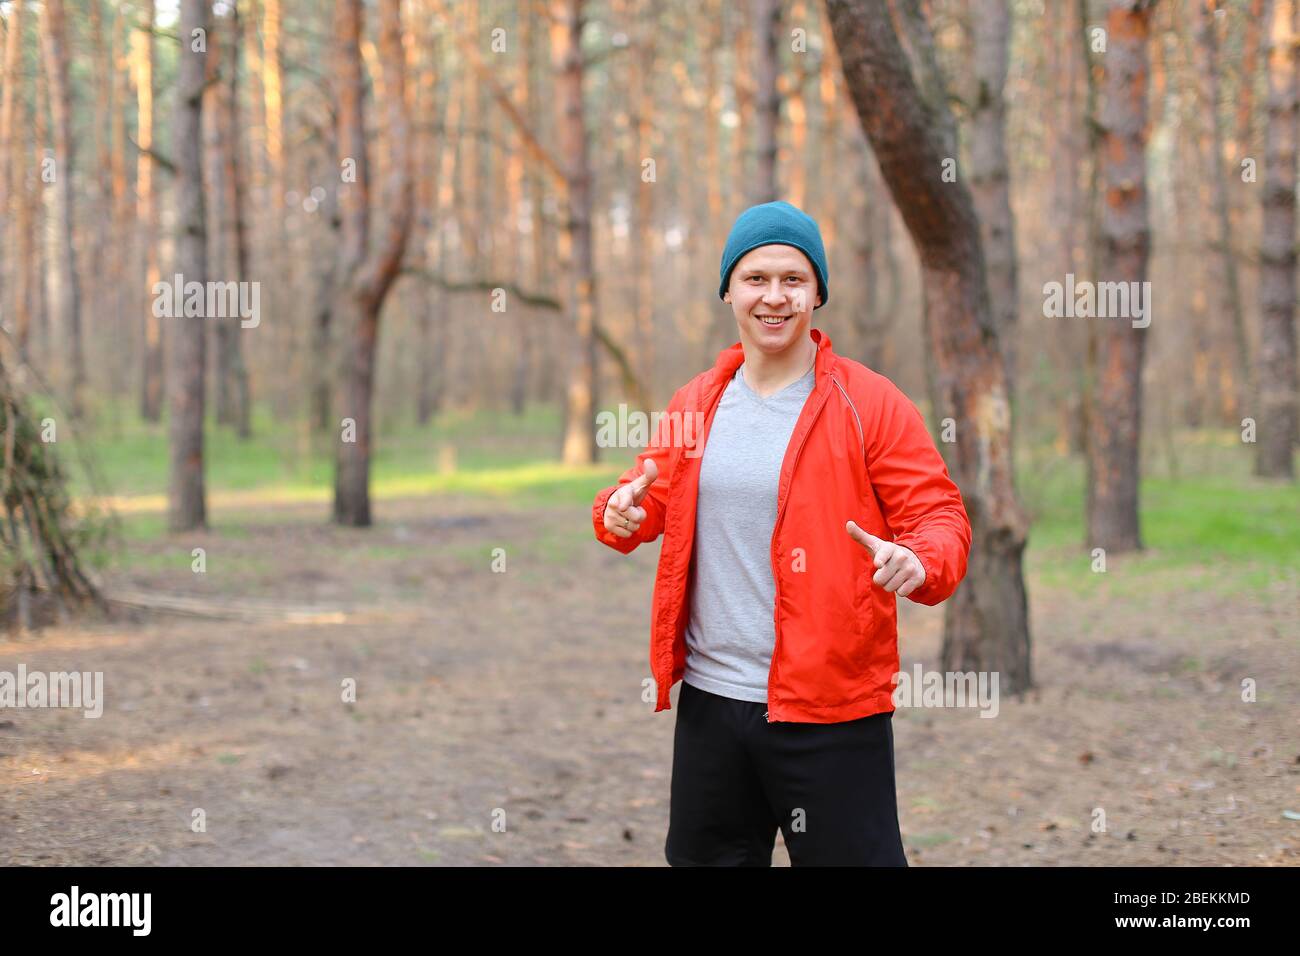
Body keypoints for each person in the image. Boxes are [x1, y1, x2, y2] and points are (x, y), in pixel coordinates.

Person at [591, 200, 972, 866]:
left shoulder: (869, 403)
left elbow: (940, 515)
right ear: (730, 292)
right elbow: (642, 500)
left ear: (818, 292)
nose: (775, 296)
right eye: (756, 278)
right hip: (712, 706)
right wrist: (615, 513)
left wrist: (918, 557)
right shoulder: (696, 403)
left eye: (793, 280)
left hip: (832, 709)